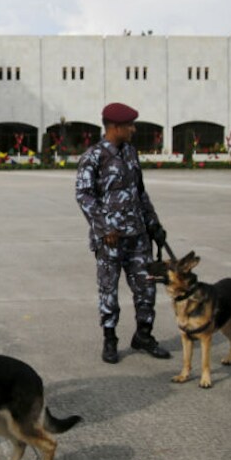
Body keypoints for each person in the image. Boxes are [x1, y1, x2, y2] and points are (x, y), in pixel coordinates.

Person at [75, 102, 171, 364]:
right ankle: (110, 339)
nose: (133, 129)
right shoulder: (93, 157)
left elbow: (140, 191)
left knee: (147, 287)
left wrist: (154, 224)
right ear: (115, 127)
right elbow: (83, 195)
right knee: (109, 289)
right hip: (111, 239)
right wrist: (104, 227)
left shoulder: (130, 152)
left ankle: (143, 335)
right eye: (129, 125)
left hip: (138, 235)